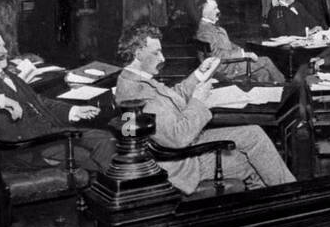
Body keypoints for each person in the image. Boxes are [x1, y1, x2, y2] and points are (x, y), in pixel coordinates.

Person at [114, 25, 295, 195]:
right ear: (138, 53)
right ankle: (292, 201)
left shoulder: (134, 78)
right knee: (256, 159)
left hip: (185, 148)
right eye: (156, 52)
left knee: (254, 134)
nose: (162, 58)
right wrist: (198, 101)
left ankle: (274, 204)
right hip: (181, 163)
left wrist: (198, 75)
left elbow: (172, 96)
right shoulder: (136, 92)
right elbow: (177, 137)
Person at [0, 30, 116, 174]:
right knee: (102, 158)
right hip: (31, 148)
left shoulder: (10, 76)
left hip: (52, 135)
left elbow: (40, 102)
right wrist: (2, 100)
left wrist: (74, 110)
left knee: (106, 138)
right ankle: (113, 193)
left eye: (4, 46)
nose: (4, 51)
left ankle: (113, 189)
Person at [193, 0, 285, 84]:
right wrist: (243, 54)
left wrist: (242, 51)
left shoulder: (209, 27)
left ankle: (269, 97)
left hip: (227, 63)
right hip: (225, 68)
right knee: (266, 60)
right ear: (205, 12)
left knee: (262, 73)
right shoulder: (204, 31)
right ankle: (286, 88)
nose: (218, 11)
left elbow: (228, 44)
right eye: (215, 8)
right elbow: (216, 55)